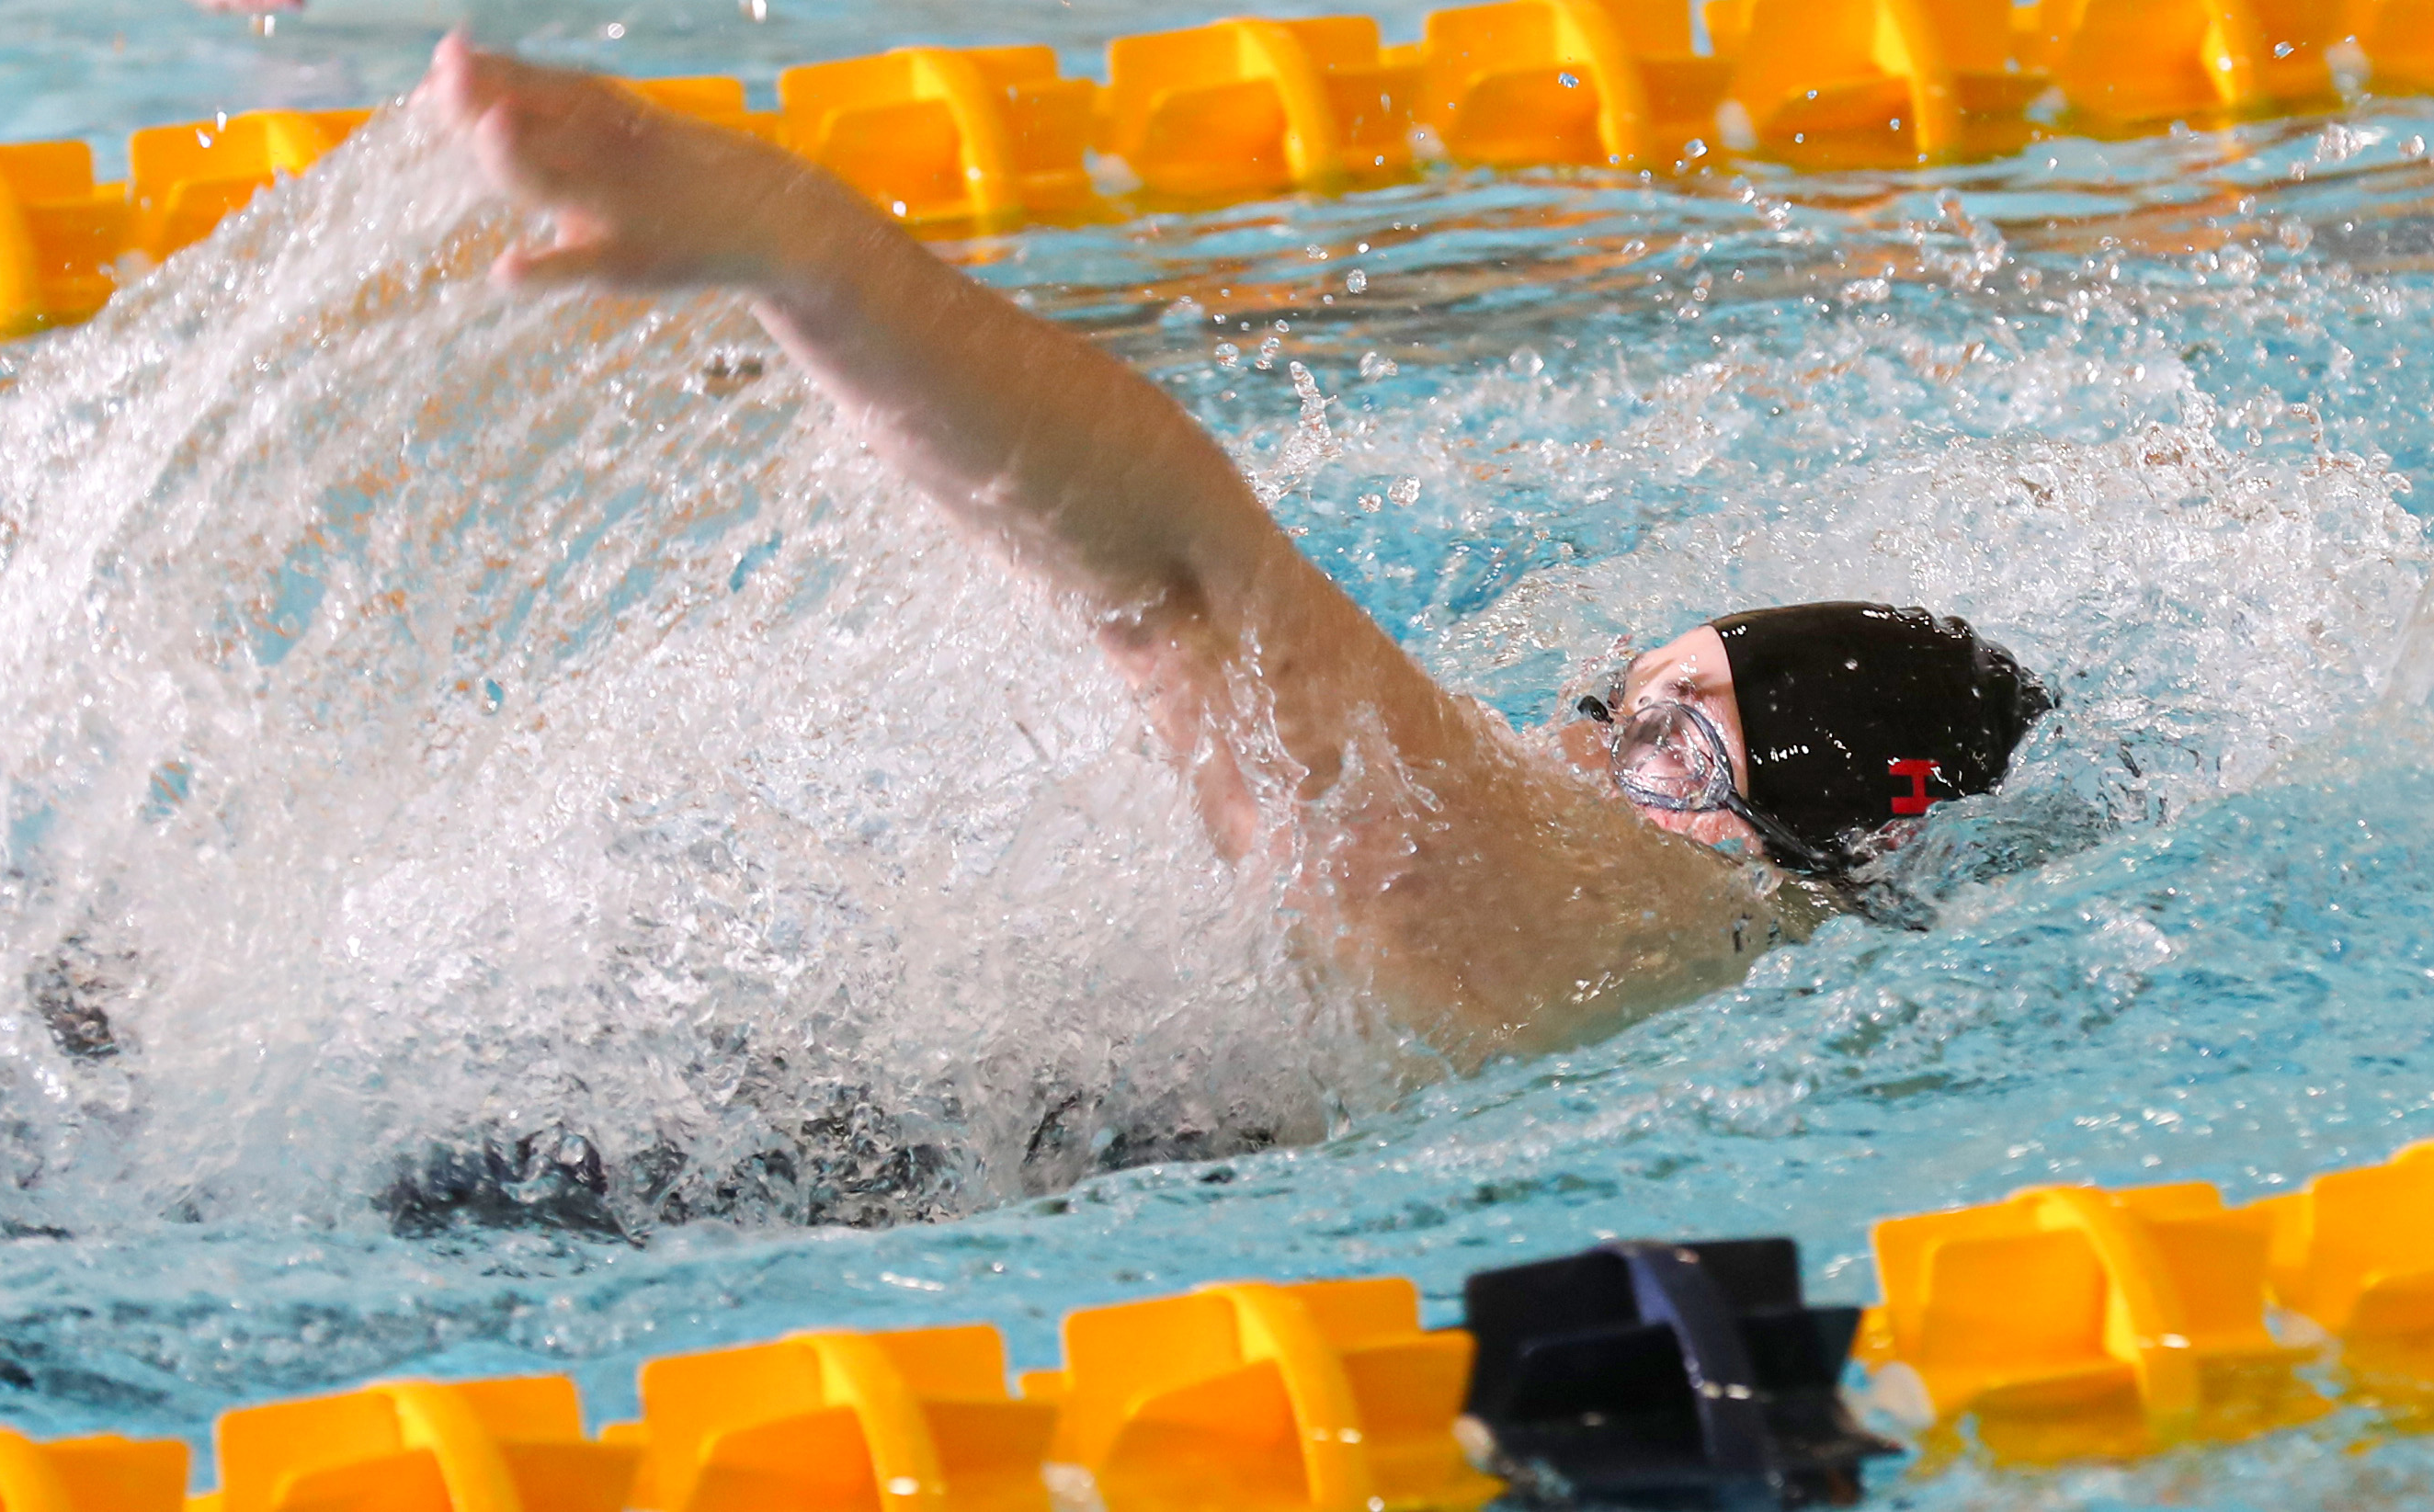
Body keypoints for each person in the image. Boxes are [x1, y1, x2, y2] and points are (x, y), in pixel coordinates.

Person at [416, 38, 2053, 1066]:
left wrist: (798, 245)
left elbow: (1171, 577)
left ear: (1840, 853)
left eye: (1666, 743)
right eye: (1611, 698)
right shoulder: (1621, 966)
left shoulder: (1627, 936)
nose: (1581, 749)